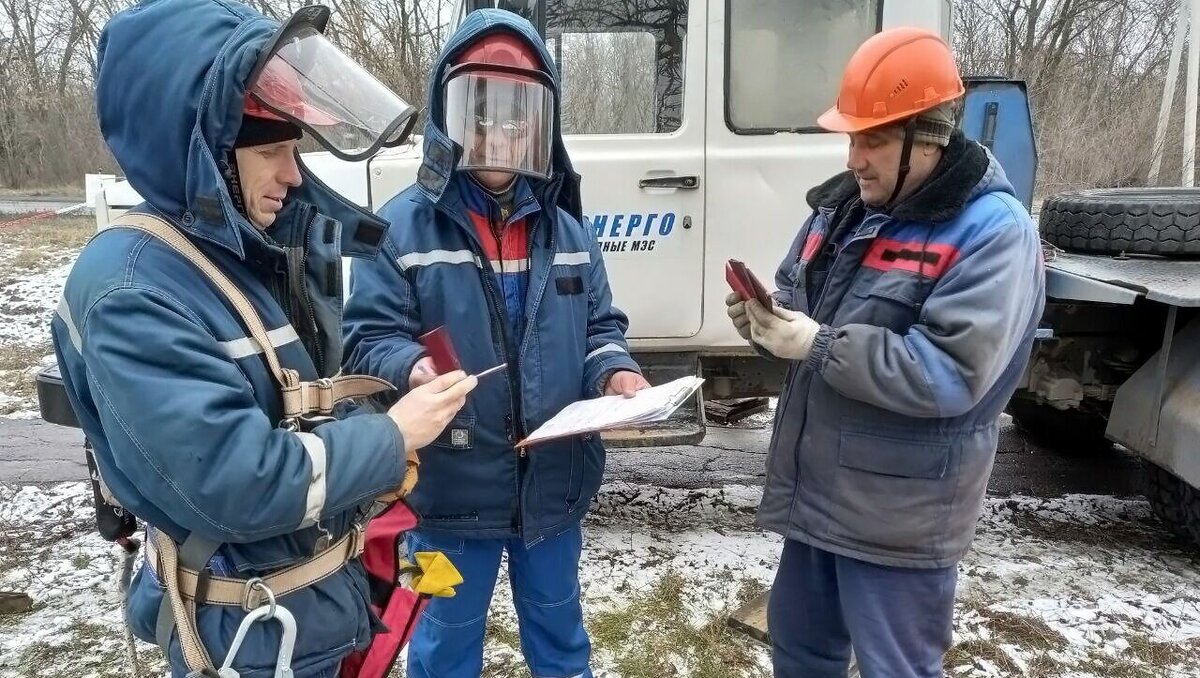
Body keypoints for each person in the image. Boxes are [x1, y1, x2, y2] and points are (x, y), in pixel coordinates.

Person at [49, 0, 476, 675]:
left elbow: (299, 405)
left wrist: (376, 447)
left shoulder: (251, 254)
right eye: (272, 150)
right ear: (206, 152)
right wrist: (391, 439)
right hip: (246, 641)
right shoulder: (132, 293)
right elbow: (238, 483)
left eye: (295, 148)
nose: (295, 174)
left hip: (309, 616)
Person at [726, 27, 1045, 678]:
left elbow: (949, 375)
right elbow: (796, 290)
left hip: (899, 524)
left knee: (896, 668)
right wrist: (766, 317)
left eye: (872, 138)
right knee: (801, 651)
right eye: (851, 137)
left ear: (927, 137)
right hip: (820, 499)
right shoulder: (845, 208)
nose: (854, 157)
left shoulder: (994, 235)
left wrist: (817, 343)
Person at [341, 9, 649, 678]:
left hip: (555, 492)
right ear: (448, 115)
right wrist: (413, 368)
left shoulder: (569, 232)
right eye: (482, 111)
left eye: (518, 114)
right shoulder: (398, 229)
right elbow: (366, 341)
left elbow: (600, 330)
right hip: (444, 494)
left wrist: (619, 375)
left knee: (562, 640)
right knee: (440, 646)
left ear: (540, 123)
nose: (500, 132)